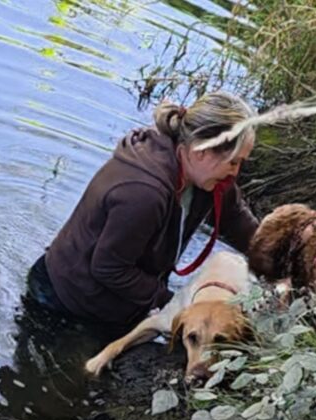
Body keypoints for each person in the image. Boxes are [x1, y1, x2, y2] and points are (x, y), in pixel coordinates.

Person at [29, 91, 261, 332]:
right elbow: (110, 268)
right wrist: (174, 301)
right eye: (234, 162)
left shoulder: (207, 176)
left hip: (112, 296)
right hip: (64, 297)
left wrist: (279, 263)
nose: (236, 172)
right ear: (201, 151)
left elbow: (236, 220)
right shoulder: (143, 194)